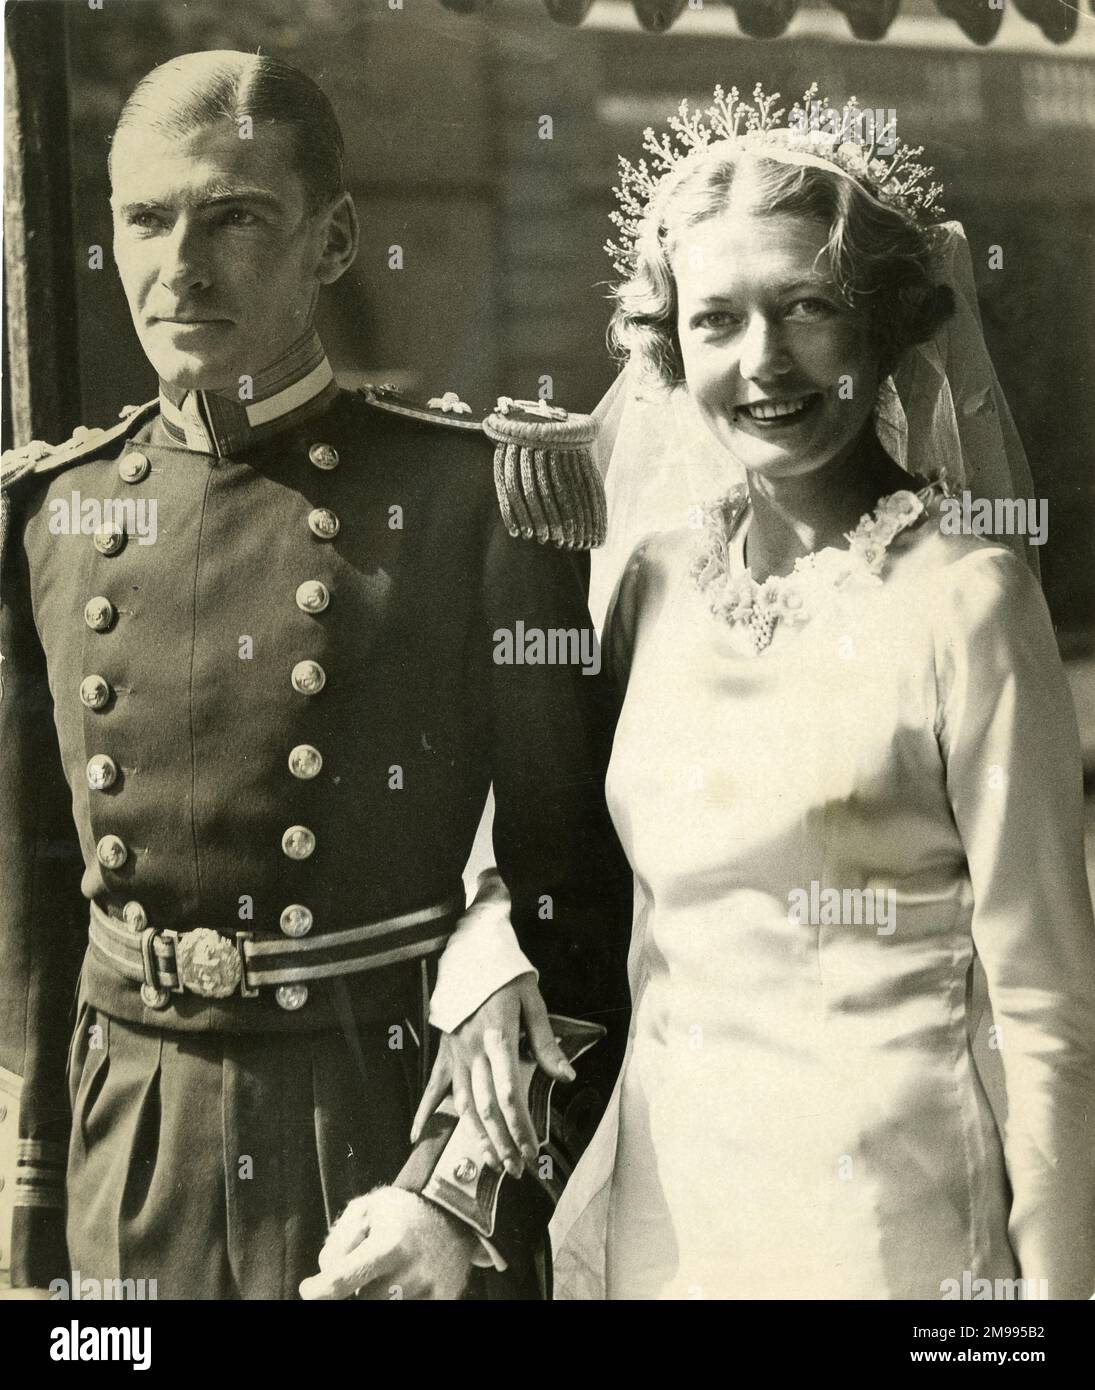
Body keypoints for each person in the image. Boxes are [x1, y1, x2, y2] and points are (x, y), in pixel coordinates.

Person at [0, 49, 630, 1300]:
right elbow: (34, 897)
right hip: (127, 1143)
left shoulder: (471, 501)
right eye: (146, 218)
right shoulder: (49, 513)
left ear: (335, 242)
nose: (181, 265)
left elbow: (576, 895)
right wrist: (30, 1202)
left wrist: (461, 1194)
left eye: (236, 216)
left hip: (381, 1119)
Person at [452, 86, 1095, 1300]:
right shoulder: (648, 584)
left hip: (893, 1235)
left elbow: (1048, 1004)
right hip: (675, 1217)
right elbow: (550, 851)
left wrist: (1056, 1302)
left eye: (809, 307)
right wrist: (486, 953)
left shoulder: (968, 599)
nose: (765, 363)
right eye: (719, 320)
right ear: (666, 348)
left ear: (887, 326)